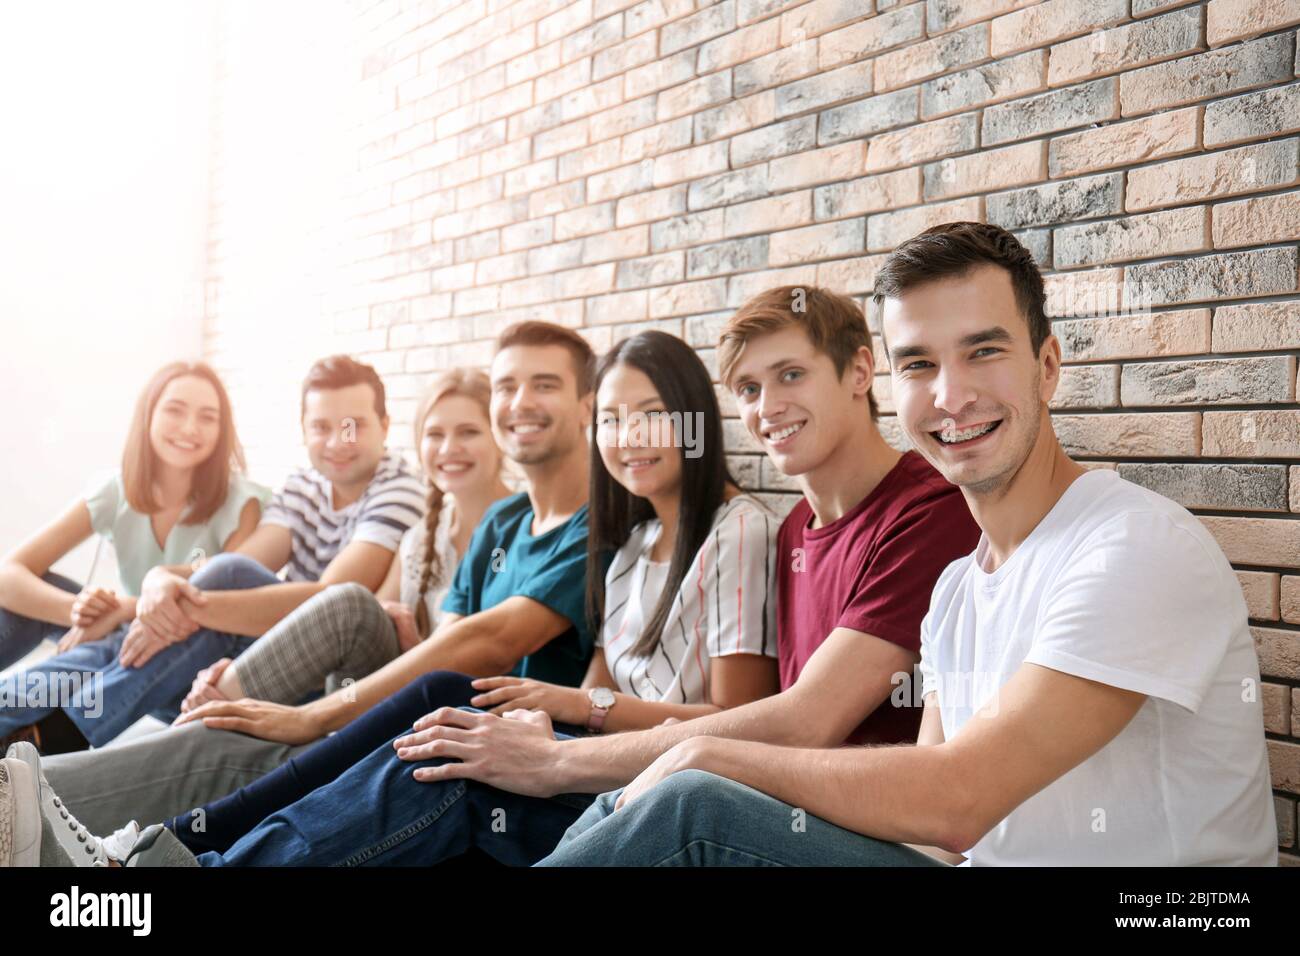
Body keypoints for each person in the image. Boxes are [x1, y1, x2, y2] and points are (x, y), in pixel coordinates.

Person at [20, 286, 983, 867]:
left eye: (791, 378)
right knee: (426, 690)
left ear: (859, 374)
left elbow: (784, 720)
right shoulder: (739, 532)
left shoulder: (756, 529)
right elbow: (581, 668)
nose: (769, 406)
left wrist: (564, 728)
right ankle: (163, 835)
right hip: (666, 763)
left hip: (759, 800)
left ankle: (159, 842)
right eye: (753, 388)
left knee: (443, 730)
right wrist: (561, 711)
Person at [537, 222, 1278, 867]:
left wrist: (708, 758)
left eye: (983, 352)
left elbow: (960, 799)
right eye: (920, 364)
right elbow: (935, 835)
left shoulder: (1134, 546)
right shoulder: (958, 587)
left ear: (1047, 366)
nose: (951, 396)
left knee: (691, 802)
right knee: (663, 804)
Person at [13, 320, 604, 844]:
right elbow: (439, 646)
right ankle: (21, 791)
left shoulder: (596, 528)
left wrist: (318, 714)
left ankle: (50, 774)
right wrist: (165, 583)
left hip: (452, 717)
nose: (520, 402)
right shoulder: (500, 523)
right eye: (507, 386)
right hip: (387, 687)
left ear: (586, 405)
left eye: (544, 385)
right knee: (235, 722)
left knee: (322, 632)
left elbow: (477, 646)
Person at [0, 355, 425, 752]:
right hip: (268, 647)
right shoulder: (304, 486)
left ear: (385, 426)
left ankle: (45, 727)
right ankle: (39, 730)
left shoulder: (397, 489)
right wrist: (160, 581)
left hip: (341, 666)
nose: (337, 441)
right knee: (212, 582)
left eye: (353, 426)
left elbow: (332, 601)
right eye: (321, 427)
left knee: (214, 584)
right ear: (303, 429)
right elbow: (252, 563)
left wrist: (175, 606)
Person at [173, 368, 513, 715]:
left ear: (501, 436)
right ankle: (215, 702)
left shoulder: (517, 532)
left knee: (344, 601)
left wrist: (188, 609)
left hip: (456, 706)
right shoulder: (420, 537)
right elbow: (375, 623)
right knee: (232, 572)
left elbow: (494, 653)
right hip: (369, 686)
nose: (449, 449)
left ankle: (218, 704)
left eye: (469, 432)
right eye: (435, 434)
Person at [0, 362, 268, 746]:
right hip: (127, 642)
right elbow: (9, 574)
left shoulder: (243, 503)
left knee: (112, 646)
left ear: (222, 430)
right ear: (149, 415)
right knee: (40, 589)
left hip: (182, 666)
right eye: (175, 410)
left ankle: (40, 730)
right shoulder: (116, 490)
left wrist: (121, 611)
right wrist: (79, 612)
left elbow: (225, 601)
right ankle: (34, 732)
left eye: (207, 417)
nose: (190, 428)